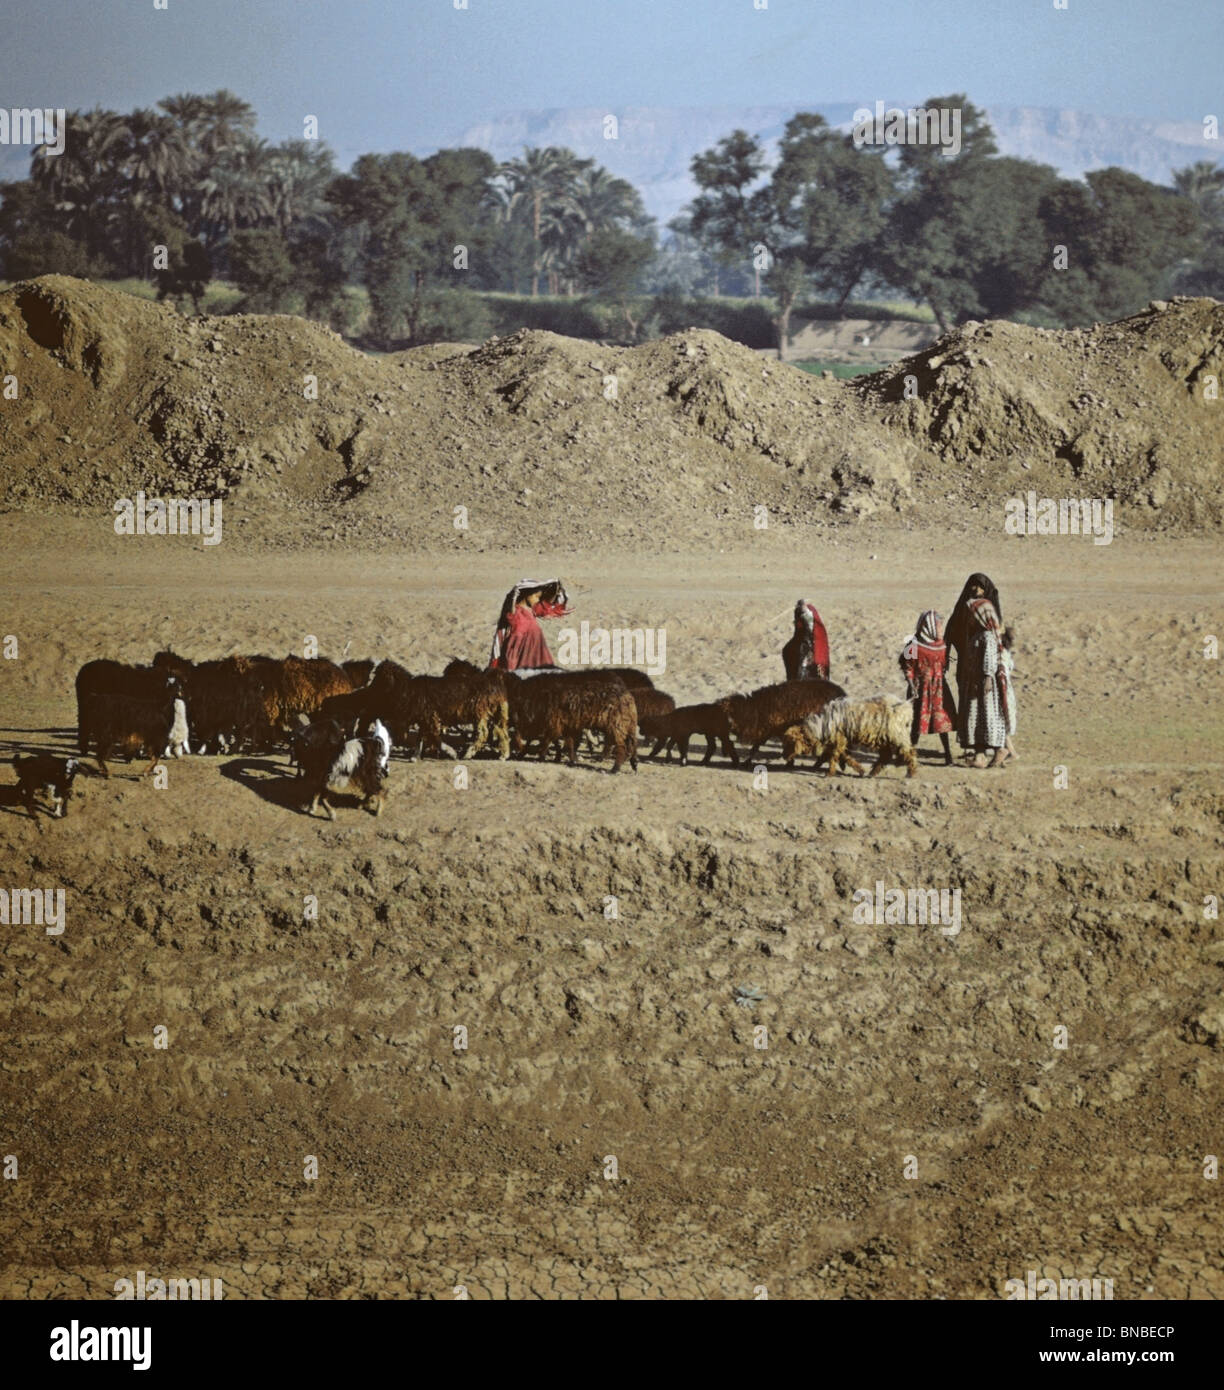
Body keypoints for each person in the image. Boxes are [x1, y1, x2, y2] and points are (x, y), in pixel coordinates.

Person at [946, 573, 1004, 763]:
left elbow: (991, 653)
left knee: (985, 711)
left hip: (982, 677)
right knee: (975, 710)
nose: (975, 590)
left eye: (979, 587)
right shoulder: (973, 623)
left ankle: (993, 750)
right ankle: (979, 751)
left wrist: (988, 675)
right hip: (970, 672)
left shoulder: (986, 632)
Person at [956, 594, 1011, 768]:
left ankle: (998, 749)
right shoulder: (980, 634)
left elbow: (989, 659)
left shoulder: (987, 636)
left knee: (987, 716)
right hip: (975, 682)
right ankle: (979, 756)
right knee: (977, 717)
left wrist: (987, 677)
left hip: (983, 684)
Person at [899, 609, 955, 765]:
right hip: (923, 688)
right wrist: (912, 684)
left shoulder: (941, 645)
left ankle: (947, 754)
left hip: (935, 687)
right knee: (917, 721)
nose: (940, 628)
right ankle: (910, 754)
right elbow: (907, 666)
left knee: (940, 720)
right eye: (938, 625)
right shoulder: (915, 645)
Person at [488, 579, 570, 671]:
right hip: (518, 658)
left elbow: (552, 603)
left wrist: (555, 588)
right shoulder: (515, 613)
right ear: (527, 595)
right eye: (536, 596)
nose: (538, 600)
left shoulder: (532, 610)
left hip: (536, 656)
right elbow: (513, 649)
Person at [782, 600, 830, 681]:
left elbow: (810, 621)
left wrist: (804, 610)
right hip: (802, 650)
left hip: (812, 652)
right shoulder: (799, 635)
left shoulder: (814, 624)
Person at [998, 624, 1018, 765]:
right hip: (1007, 688)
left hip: (1002, 688)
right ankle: (1009, 750)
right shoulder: (1006, 653)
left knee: (1000, 719)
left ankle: (1010, 751)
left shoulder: (1002, 654)